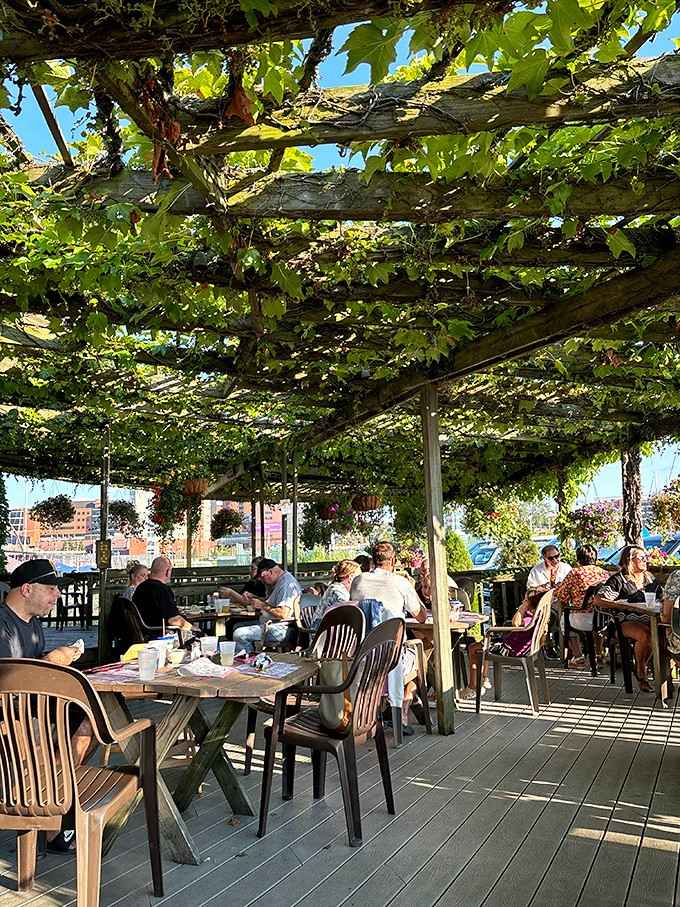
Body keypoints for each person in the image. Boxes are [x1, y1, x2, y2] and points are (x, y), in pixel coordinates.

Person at [0, 560, 93, 852]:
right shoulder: (2, 625)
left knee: (90, 716)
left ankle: (53, 800)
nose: (58, 595)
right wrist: (55, 660)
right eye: (51, 588)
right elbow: (9, 685)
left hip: (30, 709)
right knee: (51, 725)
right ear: (27, 589)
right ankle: (49, 809)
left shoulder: (33, 624)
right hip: (10, 719)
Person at [350, 542, 427, 734]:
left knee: (411, 652)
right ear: (393, 561)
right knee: (422, 656)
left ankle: (381, 710)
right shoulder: (400, 583)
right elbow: (421, 617)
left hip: (363, 655)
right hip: (392, 659)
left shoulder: (358, 581)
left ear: (373, 560)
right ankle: (401, 711)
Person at [593, 545, 662, 692]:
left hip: (649, 619)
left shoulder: (649, 578)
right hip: (623, 622)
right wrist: (623, 605)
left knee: (663, 634)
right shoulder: (619, 580)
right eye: (642, 558)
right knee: (646, 635)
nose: (646, 560)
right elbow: (598, 600)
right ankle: (641, 672)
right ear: (629, 560)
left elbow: (661, 596)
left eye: (646, 557)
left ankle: (660, 673)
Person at [555, 544, 610, 664]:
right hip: (602, 618)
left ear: (578, 559)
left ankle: (578, 656)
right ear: (595, 558)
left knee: (564, 621)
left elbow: (561, 595)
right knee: (597, 627)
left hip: (582, 618)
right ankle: (598, 654)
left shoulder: (575, 573)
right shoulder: (604, 573)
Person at [233, 559, 302, 653]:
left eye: (262, 577)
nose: (262, 581)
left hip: (283, 629)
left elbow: (284, 614)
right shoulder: (279, 581)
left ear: (270, 572)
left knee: (239, 634)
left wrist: (262, 605)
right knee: (236, 626)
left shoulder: (286, 584)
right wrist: (254, 597)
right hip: (271, 623)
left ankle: (249, 660)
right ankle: (251, 655)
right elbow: (272, 603)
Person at [132, 556, 193, 631]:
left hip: (141, 633)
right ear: (167, 572)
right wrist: (193, 628)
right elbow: (174, 620)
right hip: (159, 633)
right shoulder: (162, 590)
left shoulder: (140, 588)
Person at [311, 559, 361, 632]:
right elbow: (348, 611)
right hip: (322, 634)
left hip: (330, 631)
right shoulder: (337, 591)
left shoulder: (339, 589)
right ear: (351, 577)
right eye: (358, 578)